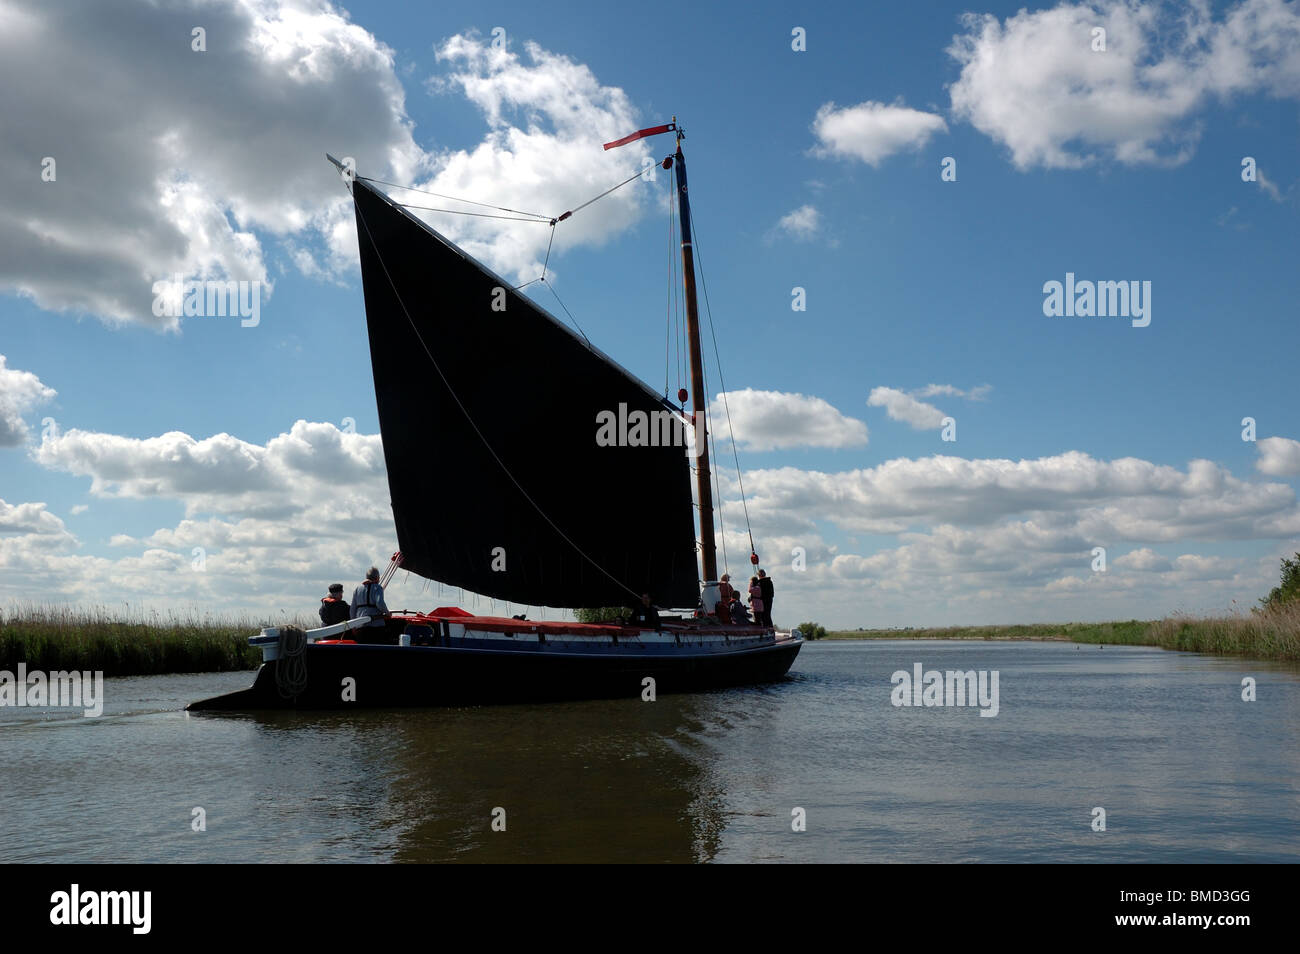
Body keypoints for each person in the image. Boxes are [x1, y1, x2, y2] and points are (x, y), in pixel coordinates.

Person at [351, 566, 392, 642]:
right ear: (377, 577)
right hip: (376, 627)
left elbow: (352, 609)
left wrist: (353, 626)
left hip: (360, 627)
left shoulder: (357, 589)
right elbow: (380, 603)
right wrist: (388, 613)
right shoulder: (378, 588)